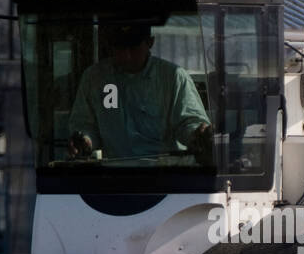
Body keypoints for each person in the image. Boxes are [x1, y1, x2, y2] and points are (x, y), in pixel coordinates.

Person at [67, 22, 213, 164]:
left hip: (165, 176)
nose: (127, 56)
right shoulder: (94, 78)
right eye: (120, 48)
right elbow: (85, 125)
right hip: (113, 177)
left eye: (134, 48)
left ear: (150, 42)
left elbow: (188, 122)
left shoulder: (173, 77)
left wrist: (197, 135)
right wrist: (85, 141)